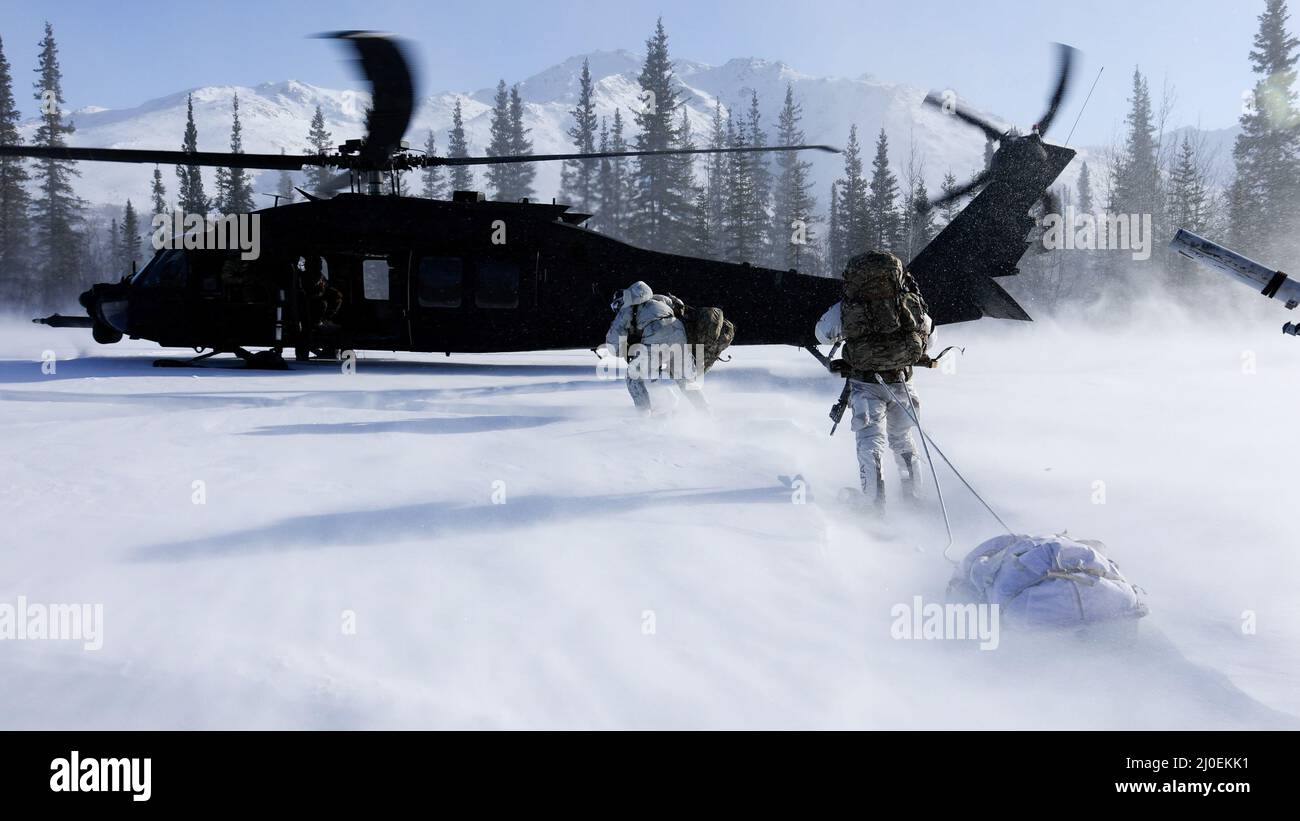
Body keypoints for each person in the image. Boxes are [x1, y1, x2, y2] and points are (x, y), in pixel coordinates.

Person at [816, 251, 934, 510]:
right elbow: (929, 338)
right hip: (902, 383)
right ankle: (912, 496)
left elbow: (823, 335)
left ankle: (873, 504)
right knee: (903, 439)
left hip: (866, 385)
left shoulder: (846, 307)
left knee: (870, 443)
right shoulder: (910, 301)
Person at [604, 280, 708, 414]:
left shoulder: (626, 310)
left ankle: (643, 415)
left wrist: (621, 351)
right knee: (684, 379)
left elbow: (613, 341)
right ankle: (706, 413)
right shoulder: (658, 299)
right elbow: (679, 304)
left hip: (657, 334)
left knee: (632, 374)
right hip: (679, 333)